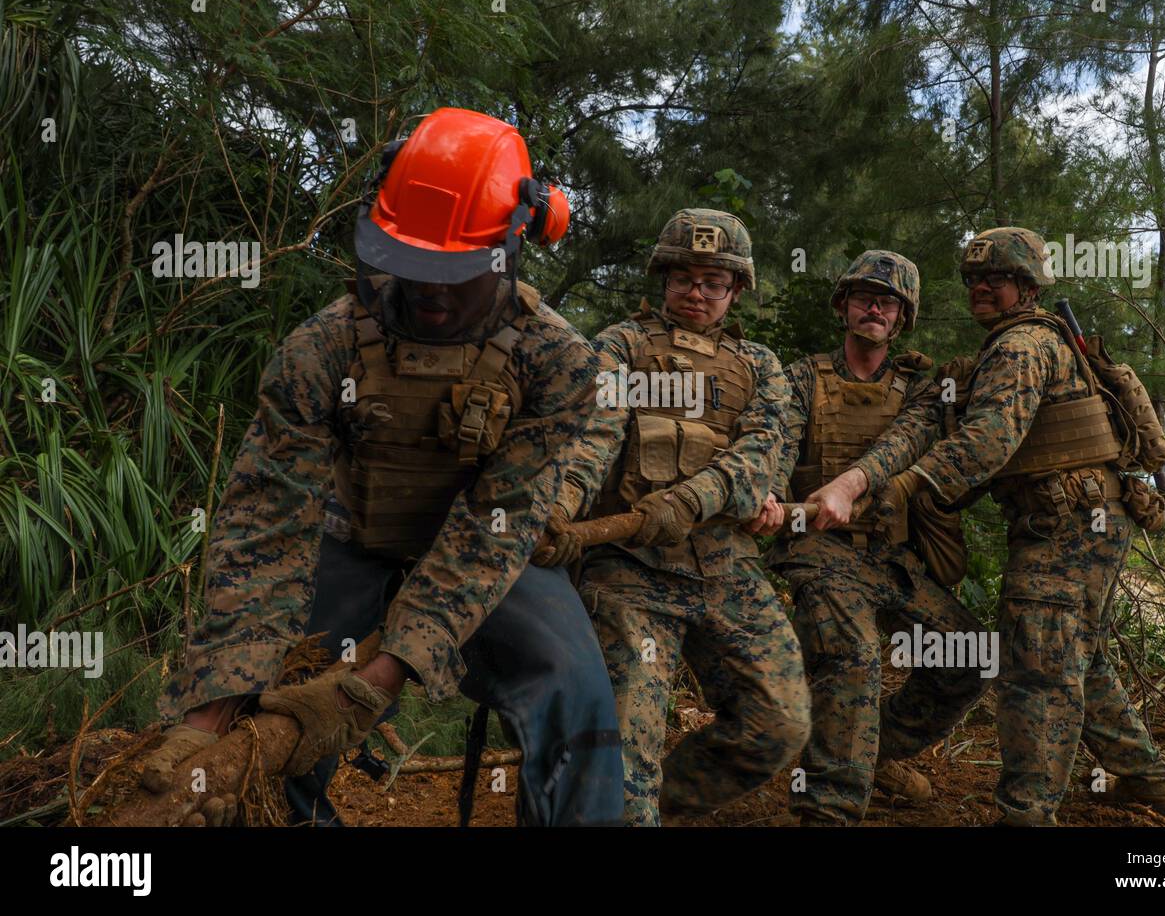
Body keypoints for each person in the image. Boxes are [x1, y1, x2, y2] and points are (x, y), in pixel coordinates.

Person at [141, 108, 623, 826]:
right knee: (268, 704)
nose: (427, 288)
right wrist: (214, 705)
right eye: (408, 261)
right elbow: (264, 527)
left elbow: (493, 533)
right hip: (351, 539)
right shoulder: (322, 348)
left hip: (487, 552)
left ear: (512, 243)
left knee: (574, 693)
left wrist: (374, 682)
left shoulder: (556, 362)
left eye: (450, 269)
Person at [851, 227, 1165, 826]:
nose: (982, 288)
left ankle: (1025, 815)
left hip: (1064, 525)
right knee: (1077, 655)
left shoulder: (1020, 347)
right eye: (975, 279)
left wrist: (907, 485)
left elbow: (989, 439)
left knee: (1037, 670)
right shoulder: (1026, 342)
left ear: (1027, 286)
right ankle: (1152, 782)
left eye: (997, 279)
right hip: (1087, 520)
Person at [537, 209, 810, 826]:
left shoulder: (761, 365)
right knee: (628, 745)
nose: (697, 292)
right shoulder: (621, 345)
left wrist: (690, 500)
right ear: (663, 279)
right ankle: (625, 808)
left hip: (726, 571)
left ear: (735, 291)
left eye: (714, 282)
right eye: (685, 277)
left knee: (780, 725)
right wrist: (560, 507)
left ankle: (651, 805)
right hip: (629, 573)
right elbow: (594, 436)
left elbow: (757, 458)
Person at [756, 250, 987, 826]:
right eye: (864, 297)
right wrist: (765, 495)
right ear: (844, 306)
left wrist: (848, 485)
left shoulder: (919, 388)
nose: (875, 308)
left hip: (890, 557)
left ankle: (874, 751)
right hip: (818, 549)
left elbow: (907, 443)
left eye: (887, 302)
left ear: (901, 317)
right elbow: (776, 444)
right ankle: (827, 811)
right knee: (852, 658)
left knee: (970, 656)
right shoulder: (802, 378)